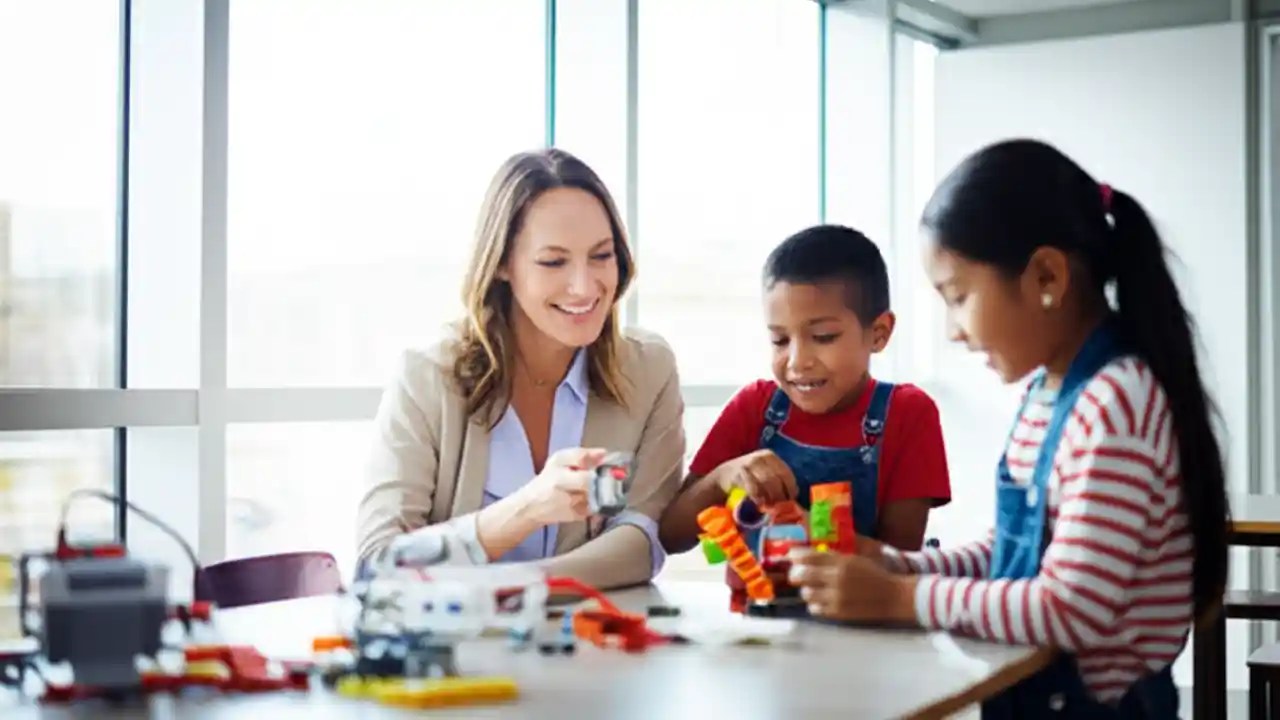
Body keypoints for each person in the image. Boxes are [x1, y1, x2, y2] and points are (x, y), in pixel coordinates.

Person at [789, 139, 1229, 718]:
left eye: (959, 297)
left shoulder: (1115, 401)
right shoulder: (1048, 393)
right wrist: (896, 565)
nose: (954, 331)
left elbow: (1071, 607)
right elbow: (1017, 553)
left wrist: (901, 597)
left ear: (1046, 276)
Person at [355, 148, 686, 590]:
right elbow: (377, 563)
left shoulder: (648, 369)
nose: (585, 286)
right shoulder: (427, 378)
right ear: (503, 265)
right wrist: (530, 506)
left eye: (601, 256)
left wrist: (521, 588)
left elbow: (642, 538)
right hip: (455, 654)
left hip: (590, 648)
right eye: (553, 261)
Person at [658, 224, 952, 567]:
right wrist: (723, 476)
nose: (797, 363)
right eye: (780, 341)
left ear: (879, 333)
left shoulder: (907, 413)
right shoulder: (755, 407)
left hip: (861, 615)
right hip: (762, 614)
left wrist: (812, 531)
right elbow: (670, 536)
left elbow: (901, 561)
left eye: (824, 337)